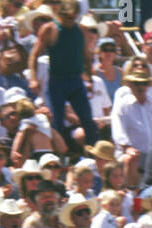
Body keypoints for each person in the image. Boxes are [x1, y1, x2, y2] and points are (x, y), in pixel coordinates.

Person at [28, 1, 96, 147]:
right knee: (56, 122)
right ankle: (58, 158)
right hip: (57, 81)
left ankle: (92, 153)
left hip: (76, 80)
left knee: (87, 119)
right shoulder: (50, 29)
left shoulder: (80, 31)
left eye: (73, 17)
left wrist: (89, 78)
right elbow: (34, 55)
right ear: (61, 15)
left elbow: (86, 56)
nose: (71, 21)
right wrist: (33, 79)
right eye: (68, 17)